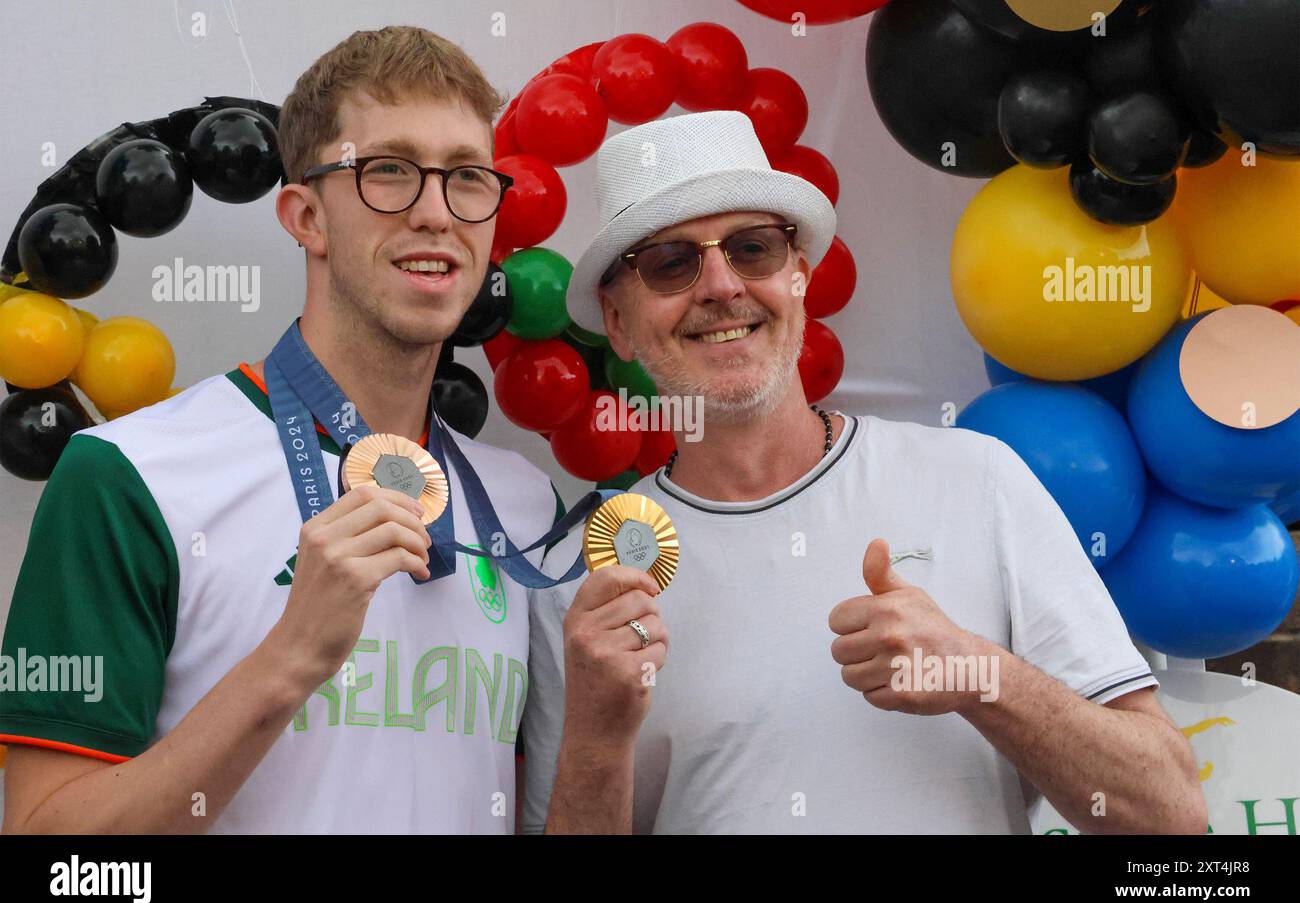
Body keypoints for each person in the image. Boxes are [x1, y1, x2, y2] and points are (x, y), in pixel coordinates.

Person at [522, 110, 1208, 835]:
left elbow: (1169, 816)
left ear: (799, 278)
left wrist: (980, 674)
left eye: (753, 248)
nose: (721, 285)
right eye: (669, 262)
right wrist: (598, 739)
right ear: (619, 320)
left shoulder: (977, 479)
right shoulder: (580, 583)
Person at [0, 26, 564, 834]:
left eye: (467, 178)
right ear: (306, 217)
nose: (437, 213)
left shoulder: (527, 505)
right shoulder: (125, 475)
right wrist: (288, 659)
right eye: (389, 172)